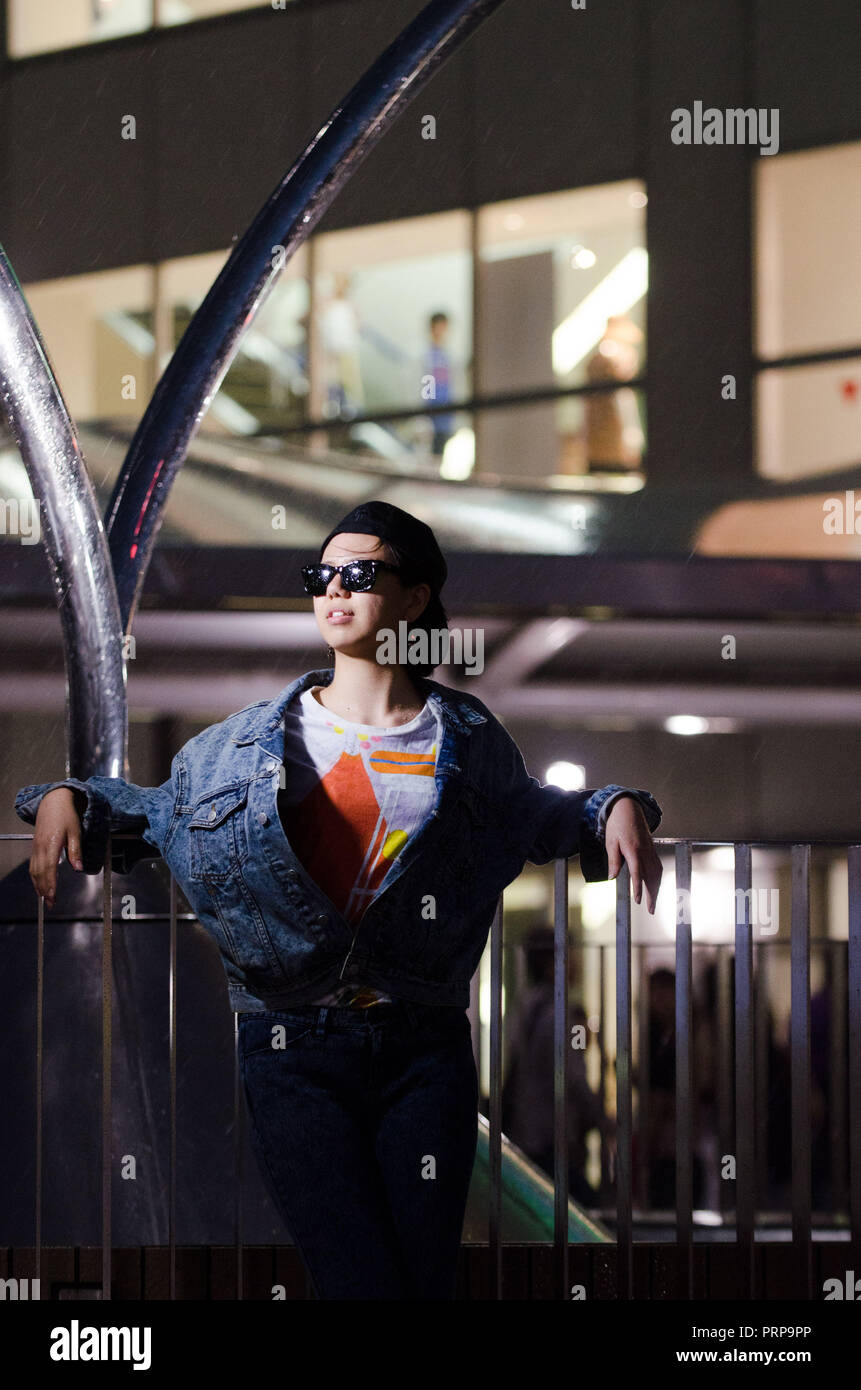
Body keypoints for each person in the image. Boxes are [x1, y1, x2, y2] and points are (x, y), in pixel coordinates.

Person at [16, 499, 663, 1300]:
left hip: (422, 1048)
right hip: (291, 1049)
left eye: (359, 573)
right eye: (319, 575)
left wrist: (613, 806)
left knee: (423, 1280)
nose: (334, 589)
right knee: (355, 1277)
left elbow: (538, 815)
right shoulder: (246, 744)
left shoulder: (463, 739)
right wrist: (61, 796)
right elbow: (151, 811)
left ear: (416, 596)